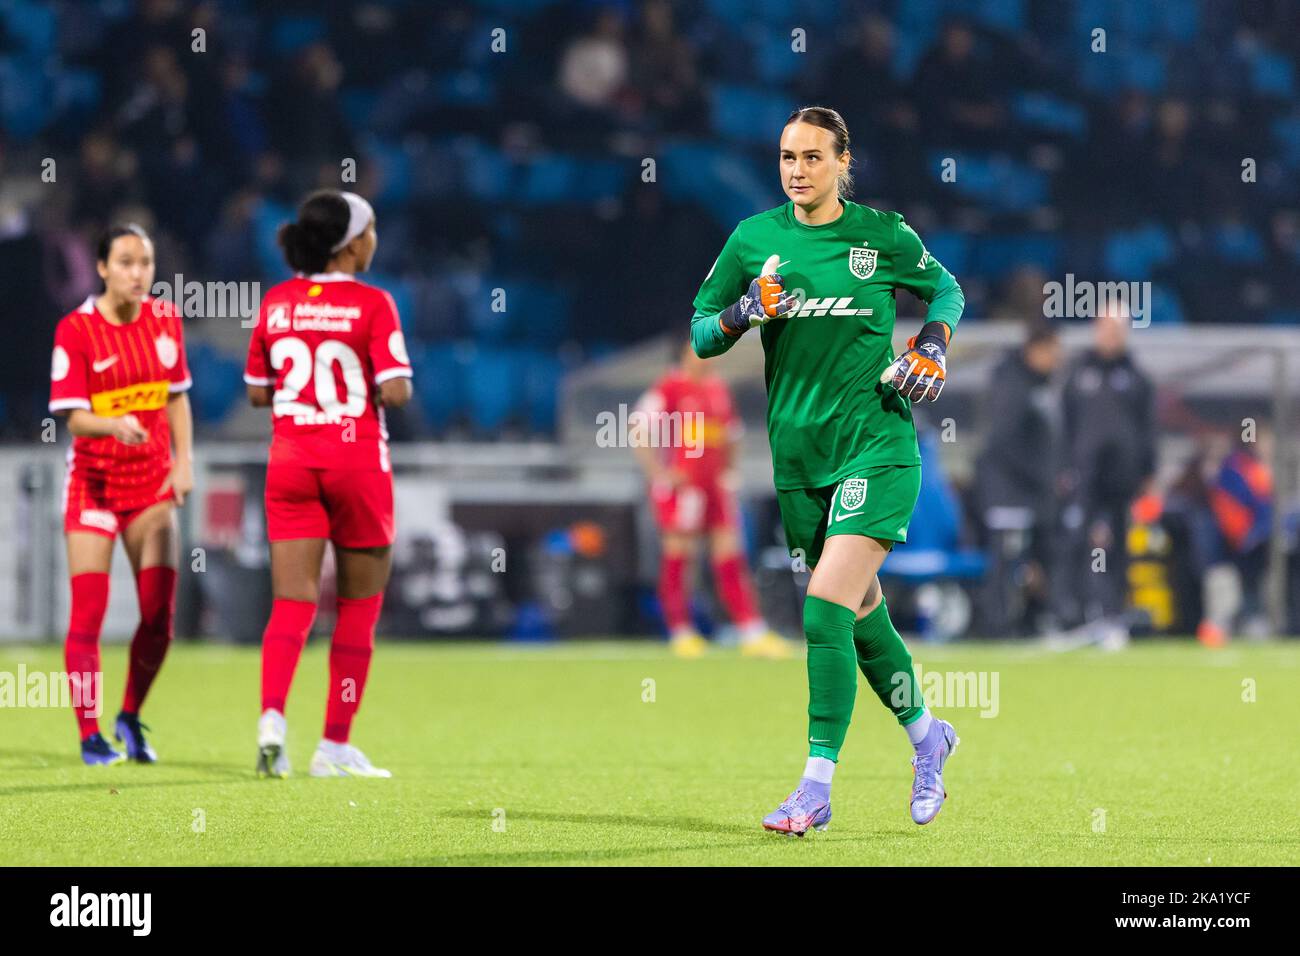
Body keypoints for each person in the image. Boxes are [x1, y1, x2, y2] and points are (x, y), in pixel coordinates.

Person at [690, 106, 966, 833]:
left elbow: (948, 289)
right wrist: (746, 310)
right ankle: (927, 735)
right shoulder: (755, 240)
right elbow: (702, 329)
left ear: (845, 161)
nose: (797, 171)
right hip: (798, 461)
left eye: (813, 157)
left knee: (820, 610)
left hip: (876, 446)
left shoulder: (882, 234)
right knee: (862, 614)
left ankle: (815, 785)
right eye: (787, 157)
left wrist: (932, 344)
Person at [244, 190, 413, 778]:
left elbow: (258, 391)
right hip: (356, 462)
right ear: (352, 243)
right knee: (358, 610)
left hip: (291, 460)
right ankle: (334, 746)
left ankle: (272, 722)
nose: (375, 241)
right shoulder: (374, 304)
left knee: (291, 604)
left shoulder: (278, 301)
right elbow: (395, 391)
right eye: (371, 230)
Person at [49, 223, 193, 765]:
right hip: (94, 485)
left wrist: (184, 461)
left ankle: (129, 717)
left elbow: (177, 397)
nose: (139, 273)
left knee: (160, 616)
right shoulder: (76, 330)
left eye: (147, 262)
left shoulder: (165, 320)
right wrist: (113, 424)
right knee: (88, 613)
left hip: (151, 485)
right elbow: (71, 417)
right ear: (103, 268)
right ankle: (90, 735)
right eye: (127, 262)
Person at [632, 342, 790, 659]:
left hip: (715, 488)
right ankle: (681, 631)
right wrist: (659, 474)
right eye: (698, 348)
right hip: (684, 488)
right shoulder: (670, 386)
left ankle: (751, 631)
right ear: (684, 353)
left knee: (730, 557)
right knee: (680, 557)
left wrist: (729, 471)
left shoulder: (718, 388)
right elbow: (638, 426)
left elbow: (732, 434)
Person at [1059, 307, 1156, 645]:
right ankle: (1076, 615)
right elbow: (1065, 426)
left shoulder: (1137, 378)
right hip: (1083, 480)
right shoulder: (1077, 375)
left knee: (1117, 549)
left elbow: (1148, 429)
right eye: (1104, 328)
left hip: (1122, 482)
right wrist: (1063, 468)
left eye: (1116, 329)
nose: (1109, 335)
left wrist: (1148, 472)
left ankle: (1114, 616)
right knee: (1076, 544)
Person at [974, 320, 1063, 635]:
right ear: (1035, 349)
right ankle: (996, 625)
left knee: (1027, 559)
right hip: (1007, 492)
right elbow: (1003, 441)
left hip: (1029, 493)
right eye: (1053, 351)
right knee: (1005, 558)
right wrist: (1043, 476)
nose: (1057, 358)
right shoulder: (1011, 382)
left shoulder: (1042, 383)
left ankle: (1027, 620)